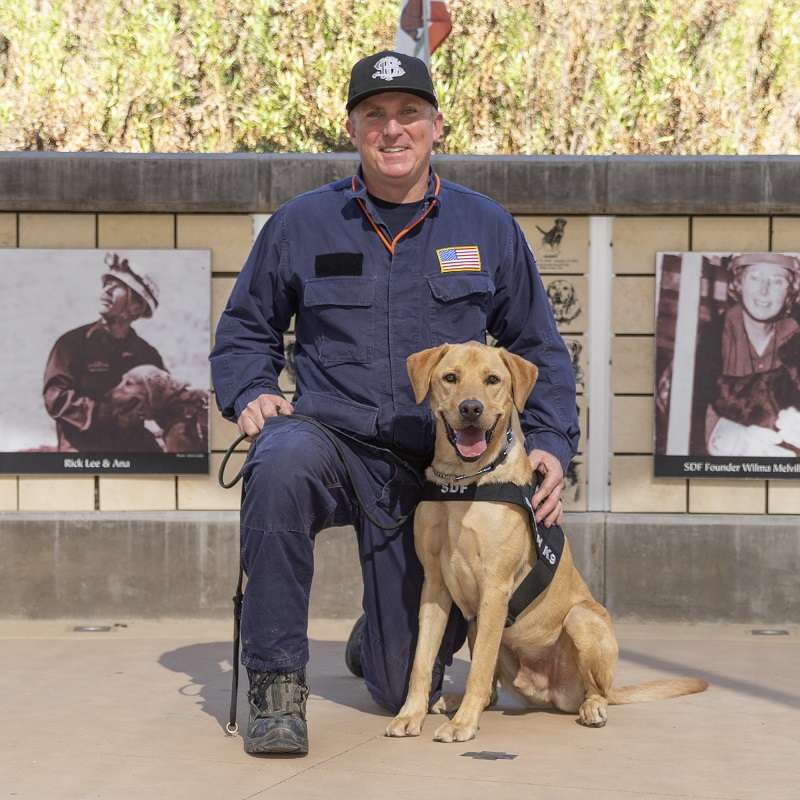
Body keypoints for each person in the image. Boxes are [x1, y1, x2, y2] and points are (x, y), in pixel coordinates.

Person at [210, 50, 579, 756]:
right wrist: (253, 391)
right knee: (278, 466)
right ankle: (277, 685)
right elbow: (246, 329)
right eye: (374, 115)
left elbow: (538, 345)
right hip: (330, 439)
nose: (392, 129)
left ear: (437, 124)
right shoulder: (301, 224)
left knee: (394, 684)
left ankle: (379, 635)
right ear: (351, 129)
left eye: (409, 113)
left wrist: (553, 446)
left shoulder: (486, 226)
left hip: (438, 468)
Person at [43, 253, 164, 452]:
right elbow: (55, 399)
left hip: (131, 451)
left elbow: (164, 403)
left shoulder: (146, 355)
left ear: (137, 306)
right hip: (82, 453)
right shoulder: (72, 344)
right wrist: (106, 413)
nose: (105, 291)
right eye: (106, 284)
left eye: (116, 286)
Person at [692, 253, 800, 456]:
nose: (764, 290)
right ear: (738, 282)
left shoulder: (797, 336)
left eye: (777, 281)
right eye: (755, 277)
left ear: (790, 291)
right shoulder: (710, 338)